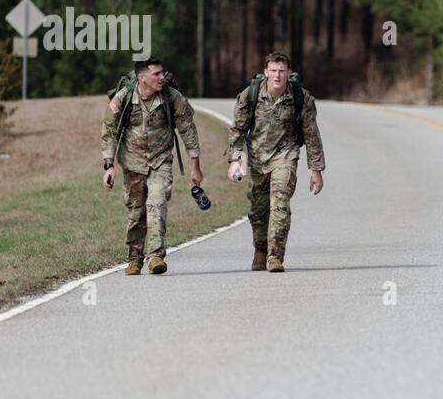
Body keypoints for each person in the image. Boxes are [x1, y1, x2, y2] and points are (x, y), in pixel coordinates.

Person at [99, 57, 202, 275]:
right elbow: (109, 130)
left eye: (162, 72)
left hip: (160, 160)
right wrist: (109, 166)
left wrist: (195, 165)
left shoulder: (171, 97)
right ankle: (134, 258)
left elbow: (188, 131)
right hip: (133, 163)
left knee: (157, 203)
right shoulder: (124, 98)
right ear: (141, 77)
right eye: (156, 74)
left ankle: (155, 256)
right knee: (137, 211)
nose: (161, 77)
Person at [226, 53, 325, 272]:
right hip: (258, 161)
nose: (277, 75)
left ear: (289, 73)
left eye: (281, 71)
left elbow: (311, 135)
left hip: (286, 156)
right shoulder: (249, 96)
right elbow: (238, 130)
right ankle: (260, 249)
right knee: (258, 211)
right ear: (265, 73)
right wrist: (234, 160)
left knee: (280, 203)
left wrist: (316, 170)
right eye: (273, 70)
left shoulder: (302, 98)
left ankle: (275, 256)